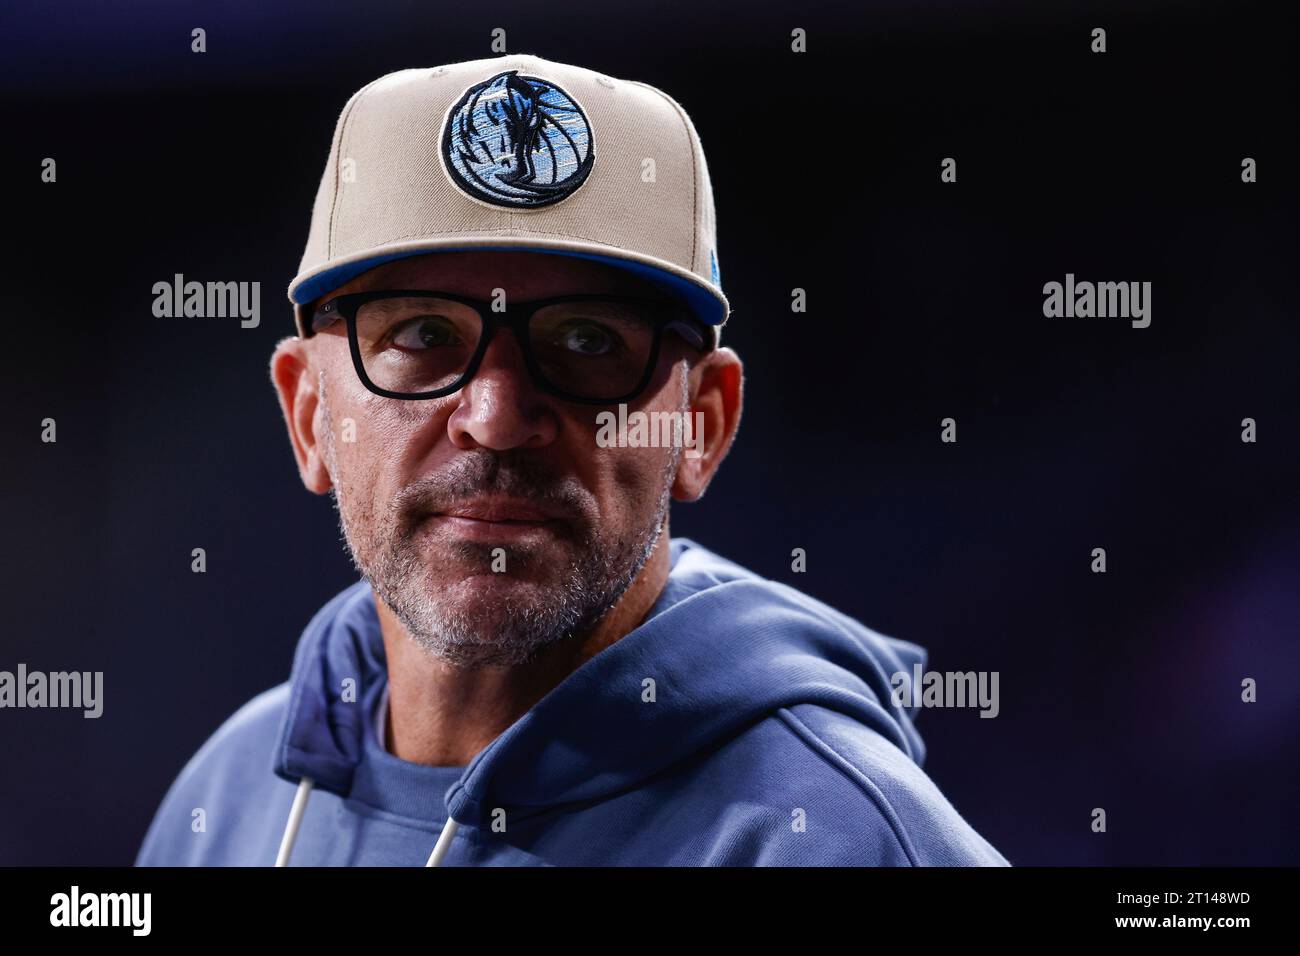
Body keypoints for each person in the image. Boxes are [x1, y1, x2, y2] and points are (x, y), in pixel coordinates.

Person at [136, 52, 1009, 866]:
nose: (498, 416)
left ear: (700, 426)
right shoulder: (229, 800)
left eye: (588, 340)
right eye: (423, 334)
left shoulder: (836, 840)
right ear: (310, 414)